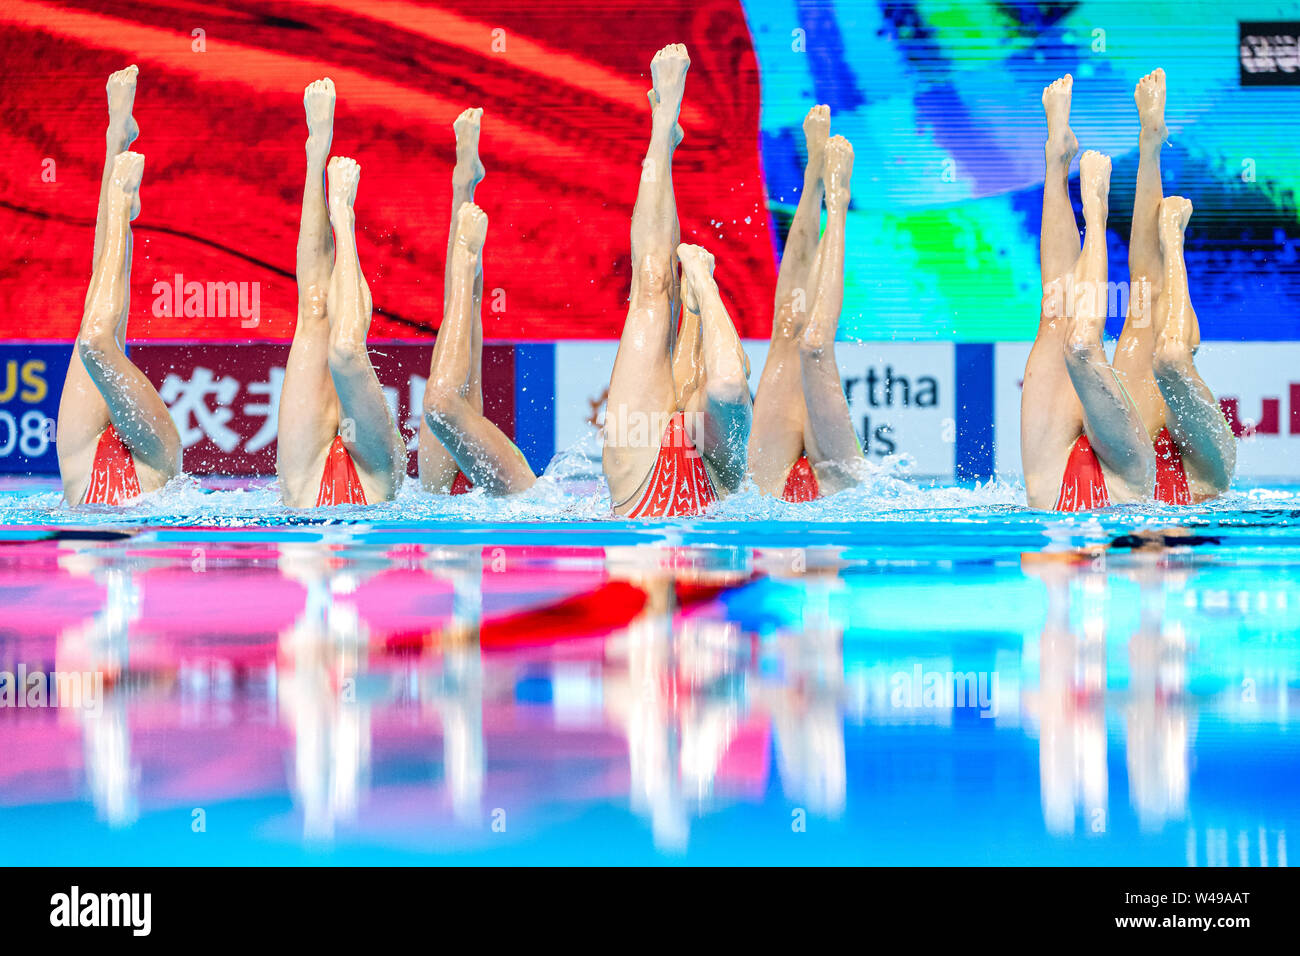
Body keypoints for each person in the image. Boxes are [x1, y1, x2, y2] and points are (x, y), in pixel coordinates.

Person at [603, 44, 753, 517]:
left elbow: (729, 382)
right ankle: (663, 124)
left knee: (652, 290)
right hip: (643, 470)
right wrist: (702, 280)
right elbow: (730, 379)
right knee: (651, 285)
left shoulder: (724, 464)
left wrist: (705, 283)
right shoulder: (725, 465)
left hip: (639, 451)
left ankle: (662, 136)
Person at [1021, 74, 1155, 511]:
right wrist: (1094, 214)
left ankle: (1055, 162)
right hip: (1126, 484)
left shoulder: (1050, 566)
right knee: (1136, 318)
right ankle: (1143, 153)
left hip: (1050, 488)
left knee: (1056, 314)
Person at [276, 78, 406, 508]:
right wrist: (342, 221)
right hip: (376, 482)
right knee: (344, 346)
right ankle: (339, 207)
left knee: (315, 312)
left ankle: (316, 155)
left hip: (306, 490)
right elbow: (348, 348)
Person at [57, 65, 182, 506]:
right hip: (153, 467)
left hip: (81, 467)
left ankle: (116, 141)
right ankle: (120, 197)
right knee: (99, 336)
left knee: (97, 313)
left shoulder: (75, 558)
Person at [1111, 69, 1235, 504]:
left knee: (1145, 300)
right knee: (1170, 352)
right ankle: (1172, 239)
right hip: (1201, 474)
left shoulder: (1120, 489)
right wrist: (1171, 245)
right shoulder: (1197, 494)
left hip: (1167, 469)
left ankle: (1150, 146)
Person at [419, 108, 536, 495]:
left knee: (457, 318)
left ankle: (463, 187)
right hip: (505, 496)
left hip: (444, 501)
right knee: (463, 313)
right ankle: (464, 188)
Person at [749, 104, 862, 501]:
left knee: (803, 340)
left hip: (810, 491)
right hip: (836, 492)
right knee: (796, 334)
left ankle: (832, 195)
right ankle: (823, 184)